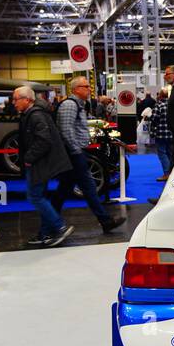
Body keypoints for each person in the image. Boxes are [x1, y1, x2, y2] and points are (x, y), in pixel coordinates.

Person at [49, 77, 125, 234]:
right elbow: (66, 130)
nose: (89, 89)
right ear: (76, 89)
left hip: (75, 153)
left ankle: (50, 220)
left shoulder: (78, 105)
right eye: (85, 86)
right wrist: (76, 151)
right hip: (74, 154)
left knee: (65, 189)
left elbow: (76, 126)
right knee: (87, 187)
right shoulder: (70, 105)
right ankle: (105, 221)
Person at [13, 86, 73, 247]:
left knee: (35, 196)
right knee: (39, 196)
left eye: (16, 99)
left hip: (39, 163)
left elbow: (44, 140)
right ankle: (46, 232)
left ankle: (58, 226)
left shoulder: (35, 115)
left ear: (27, 100)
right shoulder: (33, 114)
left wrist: (28, 158)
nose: (13, 103)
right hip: (41, 163)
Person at [151, 90, 173, 178]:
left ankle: (167, 174)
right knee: (170, 153)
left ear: (160, 95)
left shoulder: (158, 105)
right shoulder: (172, 105)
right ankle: (172, 172)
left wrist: (148, 117)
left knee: (162, 153)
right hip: (171, 133)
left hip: (161, 133)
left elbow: (154, 118)